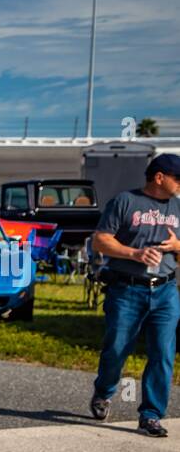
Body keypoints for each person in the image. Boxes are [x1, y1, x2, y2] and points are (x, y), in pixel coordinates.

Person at [89, 154, 180, 437]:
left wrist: (178, 243)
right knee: (117, 349)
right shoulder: (125, 202)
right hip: (127, 289)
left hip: (165, 290)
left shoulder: (178, 206)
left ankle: (151, 414)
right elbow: (100, 239)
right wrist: (135, 253)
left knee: (163, 353)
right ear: (159, 177)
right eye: (178, 179)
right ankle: (104, 391)